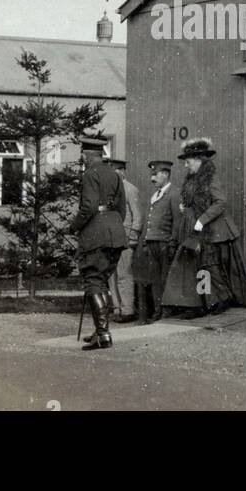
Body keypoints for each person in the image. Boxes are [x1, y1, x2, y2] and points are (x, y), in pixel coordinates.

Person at [161, 137, 246, 319]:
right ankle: (207, 302)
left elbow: (220, 202)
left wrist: (202, 220)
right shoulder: (193, 179)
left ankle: (220, 300)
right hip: (201, 230)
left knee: (211, 266)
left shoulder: (210, 178)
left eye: (188, 162)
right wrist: (184, 206)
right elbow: (193, 199)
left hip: (215, 231)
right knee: (204, 267)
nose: (186, 166)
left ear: (198, 161)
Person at [71, 137, 127, 350]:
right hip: (116, 233)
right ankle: (99, 329)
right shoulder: (114, 173)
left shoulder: (89, 174)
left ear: (86, 155)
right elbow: (121, 207)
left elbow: (89, 207)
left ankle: (103, 334)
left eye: (82, 156)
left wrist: (74, 226)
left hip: (96, 234)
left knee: (94, 280)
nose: (82, 159)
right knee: (102, 280)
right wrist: (112, 227)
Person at [132, 159, 178, 324]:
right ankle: (158, 311)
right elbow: (150, 221)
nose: (152, 179)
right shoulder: (155, 195)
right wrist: (145, 242)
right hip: (152, 243)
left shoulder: (174, 193)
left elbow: (177, 221)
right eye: (152, 174)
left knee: (166, 278)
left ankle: (166, 311)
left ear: (165, 174)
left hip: (165, 244)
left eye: (155, 174)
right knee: (155, 280)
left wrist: (172, 243)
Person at [107, 159, 143, 324]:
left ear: (122, 171)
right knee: (111, 275)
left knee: (124, 273)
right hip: (110, 239)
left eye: (117, 170)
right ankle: (116, 308)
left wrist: (133, 236)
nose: (114, 174)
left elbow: (137, 216)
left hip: (126, 238)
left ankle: (128, 310)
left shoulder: (130, 189)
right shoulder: (108, 189)